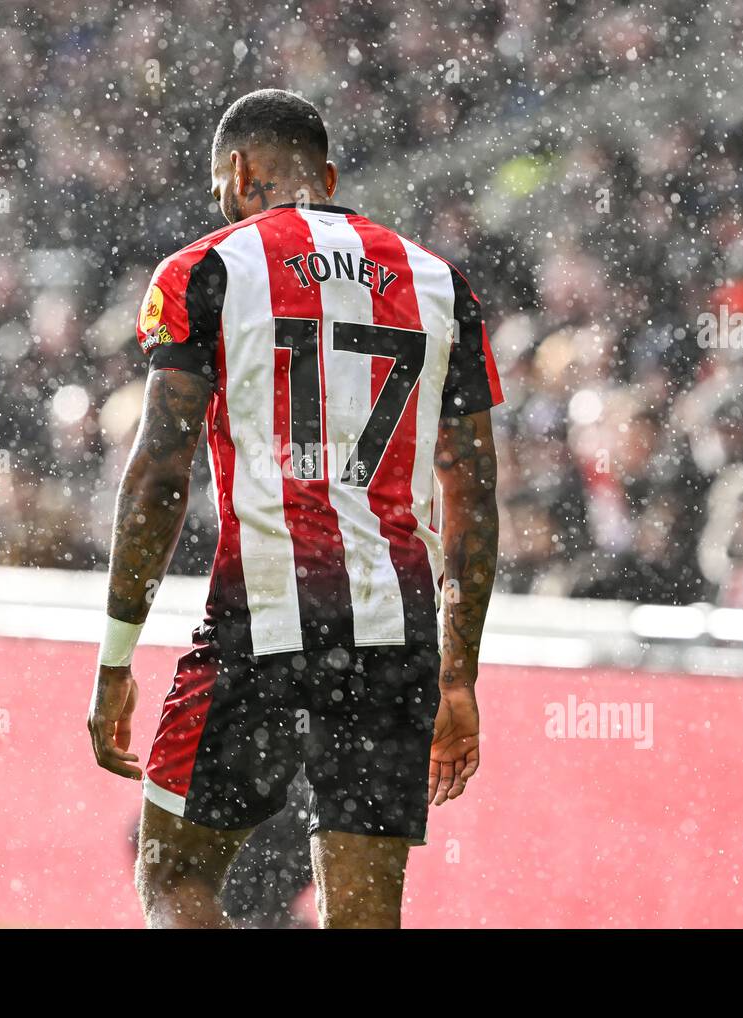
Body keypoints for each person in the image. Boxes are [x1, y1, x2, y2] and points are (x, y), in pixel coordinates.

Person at [87, 89, 503, 928]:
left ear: (239, 174)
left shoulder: (205, 270)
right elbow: (475, 497)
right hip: (397, 626)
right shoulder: (439, 283)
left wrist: (115, 660)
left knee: (175, 878)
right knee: (362, 917)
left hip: (265, 613)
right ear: (330, 175)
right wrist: (459, 673)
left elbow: (158, 473)